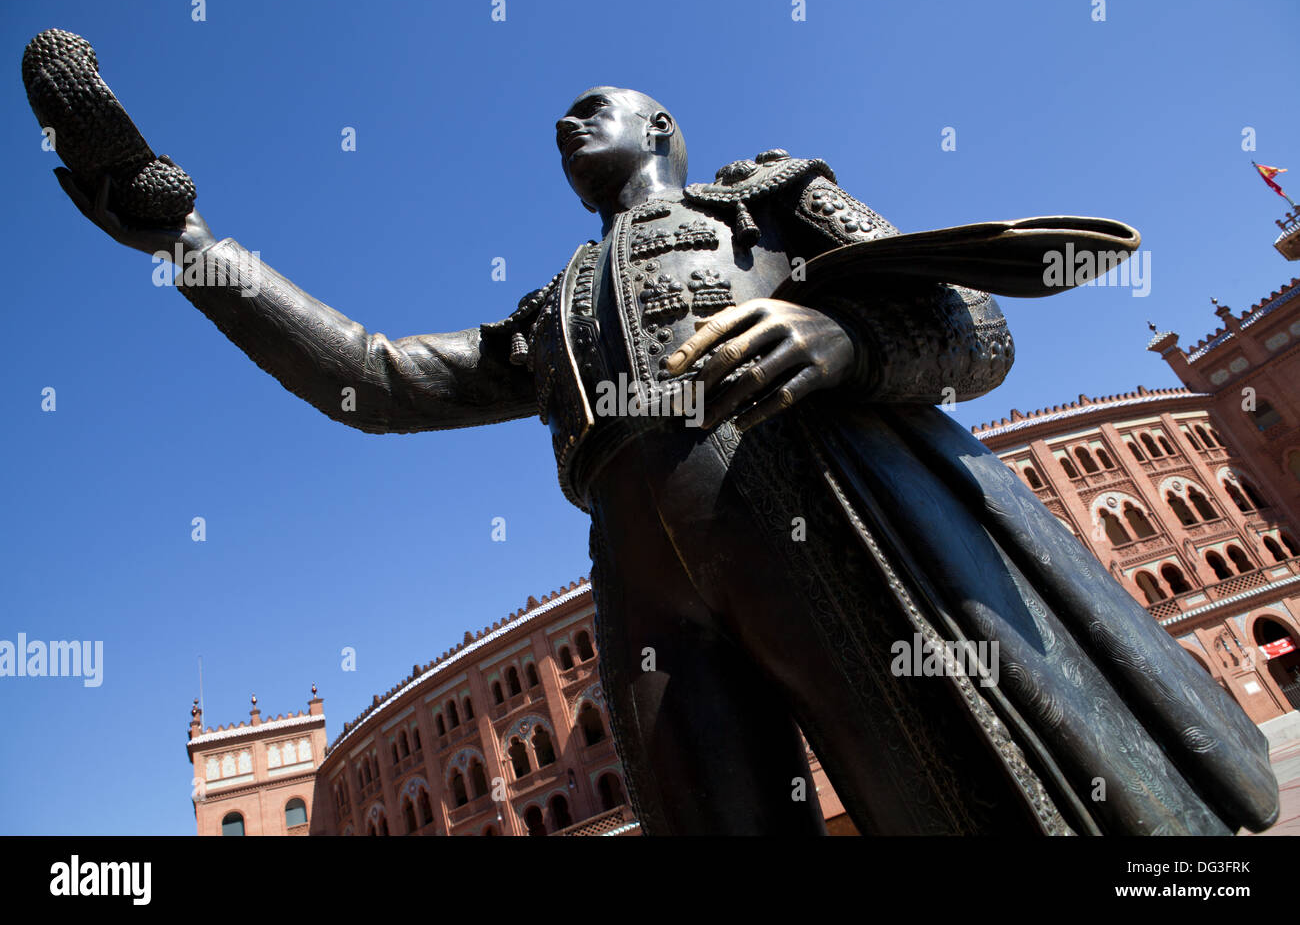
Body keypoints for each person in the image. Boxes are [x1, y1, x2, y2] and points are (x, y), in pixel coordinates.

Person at [54, 86, 1278, 835]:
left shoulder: (769, 197)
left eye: (596, 106)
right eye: (557, 124)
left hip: (824, 518)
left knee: (955, 785)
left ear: (666, 132)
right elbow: (371, 378)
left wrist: (841, 331)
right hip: (644, 575)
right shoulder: (547, 313)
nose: (566, 124)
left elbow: (980, 328)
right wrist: (191, 244)